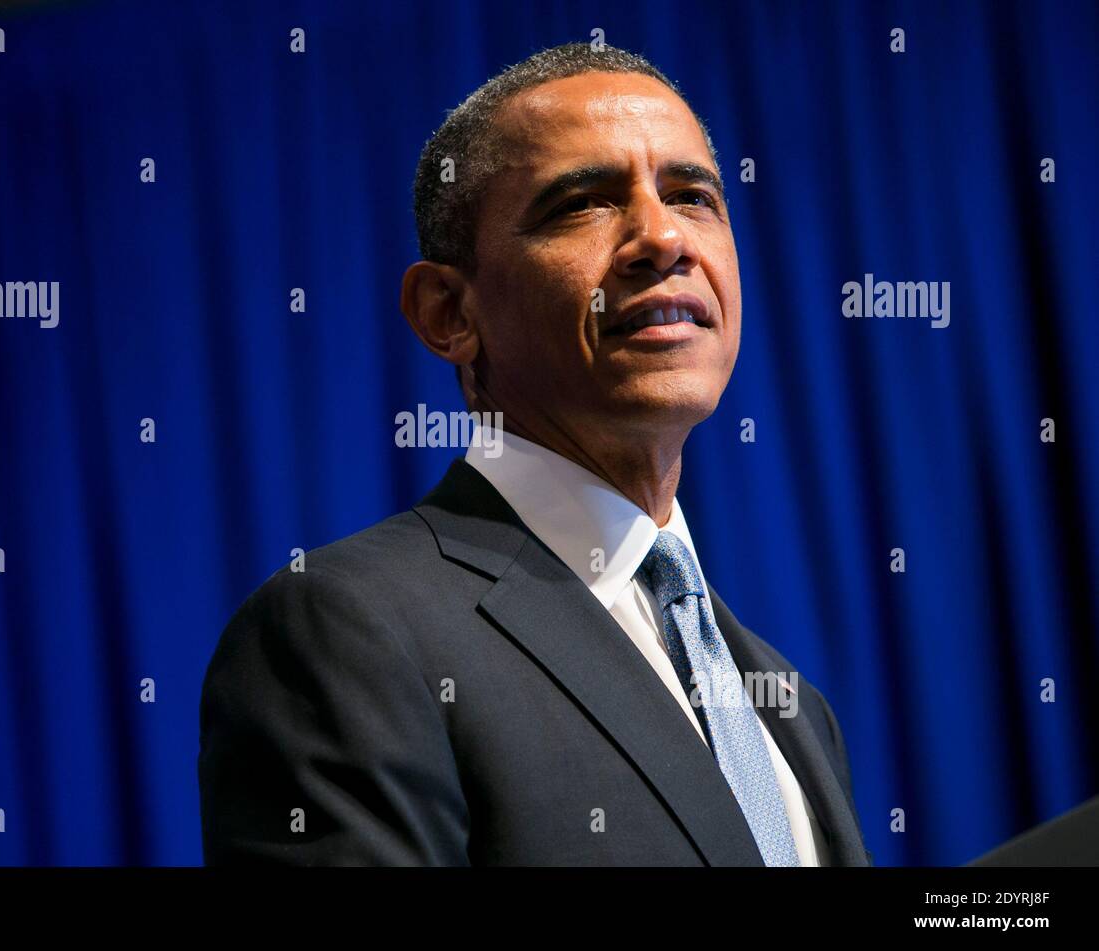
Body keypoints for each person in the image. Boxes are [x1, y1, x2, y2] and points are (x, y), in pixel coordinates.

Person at [199, 41, 871, 866]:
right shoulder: (345, 634)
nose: (662, 237)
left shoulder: (789, 704)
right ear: (449, 312)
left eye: (692, 196)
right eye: (583, 204)